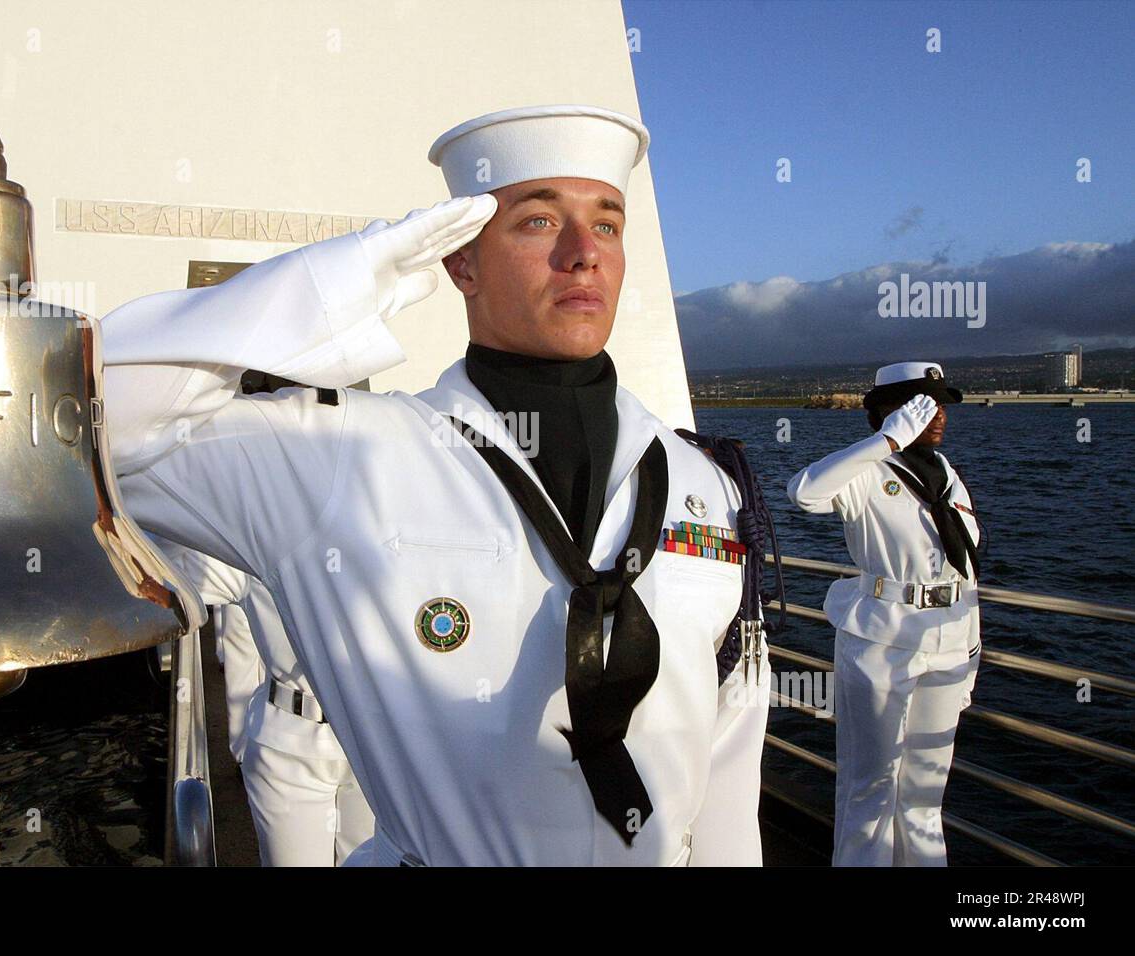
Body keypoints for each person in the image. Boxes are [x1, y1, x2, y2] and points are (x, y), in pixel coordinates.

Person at [101, 104, 771, 866]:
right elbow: (89, 420)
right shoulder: (341, 457)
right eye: (539, 223)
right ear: (461, 263)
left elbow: (728, 772)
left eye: (608, 225)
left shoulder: (705, 485)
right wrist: (342, 283)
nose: (585, 253)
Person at [787, 362, 982, 866]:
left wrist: (972, 657)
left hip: (947, 643)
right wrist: (888, 443)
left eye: (940, 404)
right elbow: (804, 492)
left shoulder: (948, 477)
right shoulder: (867, 474)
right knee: (869, 789)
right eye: (922, 404)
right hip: (880, 642)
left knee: (922, 796)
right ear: (889, 413)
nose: (937, 414)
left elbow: (965, 573)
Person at [155, 537, 375, 866]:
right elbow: (168, 577)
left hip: (371, 736)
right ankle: (239, 748)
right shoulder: (258, 536)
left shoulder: (388, 531)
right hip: (291, 739)